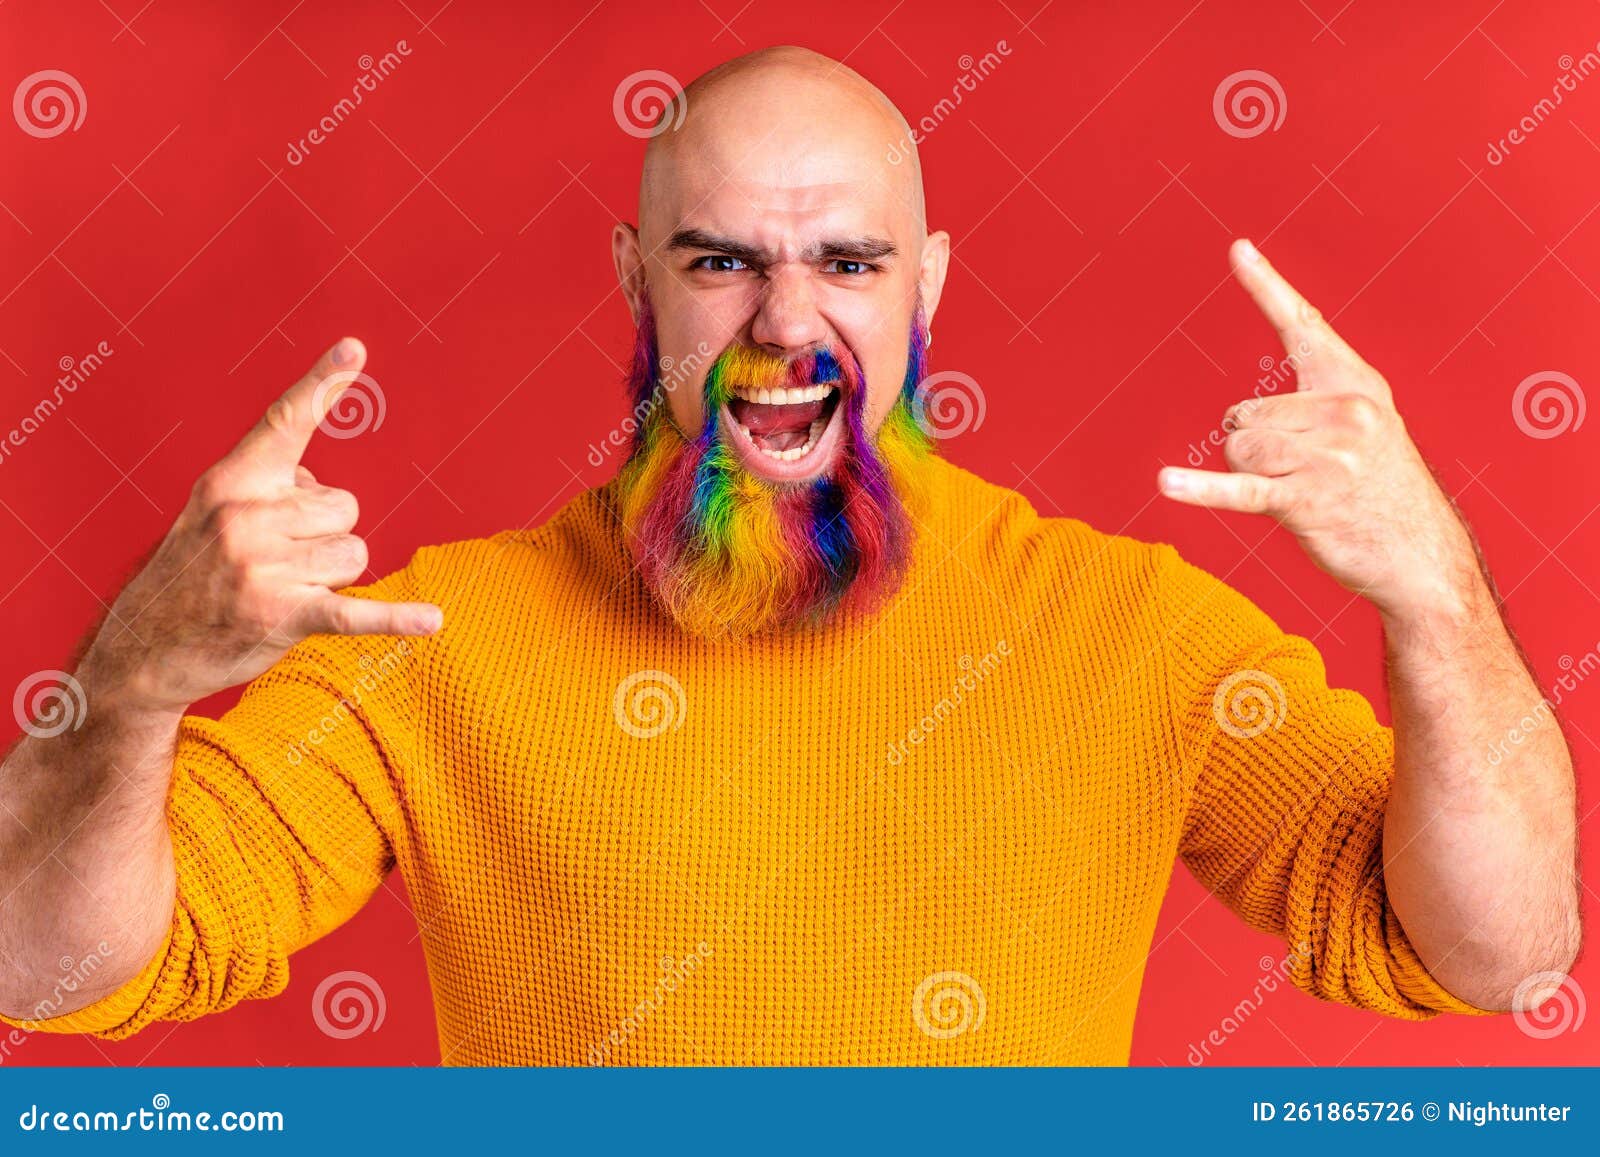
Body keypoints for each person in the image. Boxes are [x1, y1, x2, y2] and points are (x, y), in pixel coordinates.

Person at [0, 46, 1579, 1065]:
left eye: (847, 261)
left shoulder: (1132, 628)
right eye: (720, 262)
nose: (784, 323)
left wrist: (1434, 590)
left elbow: (1499, 951)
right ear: (639, 278)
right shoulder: (437, 637)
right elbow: (41, 961)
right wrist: (131, 685)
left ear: (927, 288)